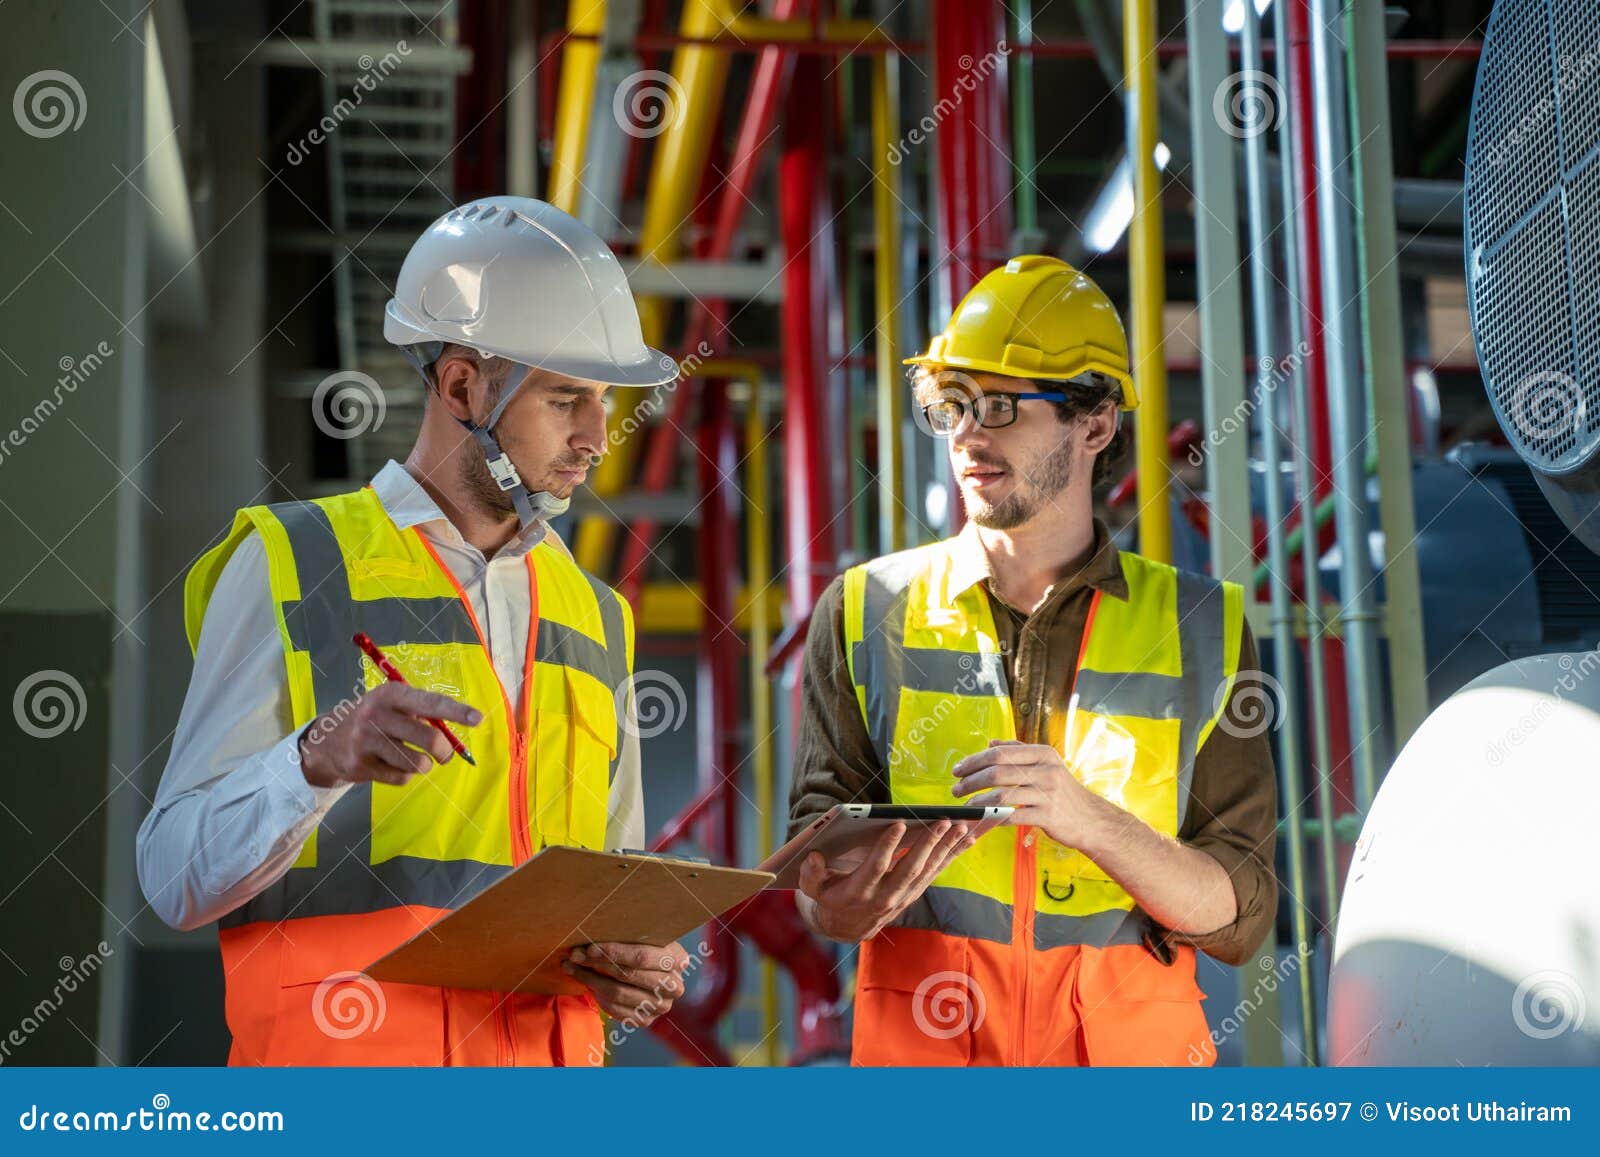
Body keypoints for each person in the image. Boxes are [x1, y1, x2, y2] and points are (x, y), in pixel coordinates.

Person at [138, 196, 690, 1066]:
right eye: (565, 397)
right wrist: (318, 756)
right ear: (462, 384)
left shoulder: (597, 613)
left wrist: (631, 961)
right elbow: (174, 876)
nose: (597, 435)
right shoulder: (297, 560)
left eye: (606, 399)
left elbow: (607, 885)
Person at [788, 255, 1279, 1066]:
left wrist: (1088, 820)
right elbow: (815, 864)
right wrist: (838, 909)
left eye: (1002, 406)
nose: (969, 435)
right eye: (953, 407)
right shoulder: (863, 611)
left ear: (1095, 424)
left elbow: (1242, 912)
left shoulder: (1203, 626)